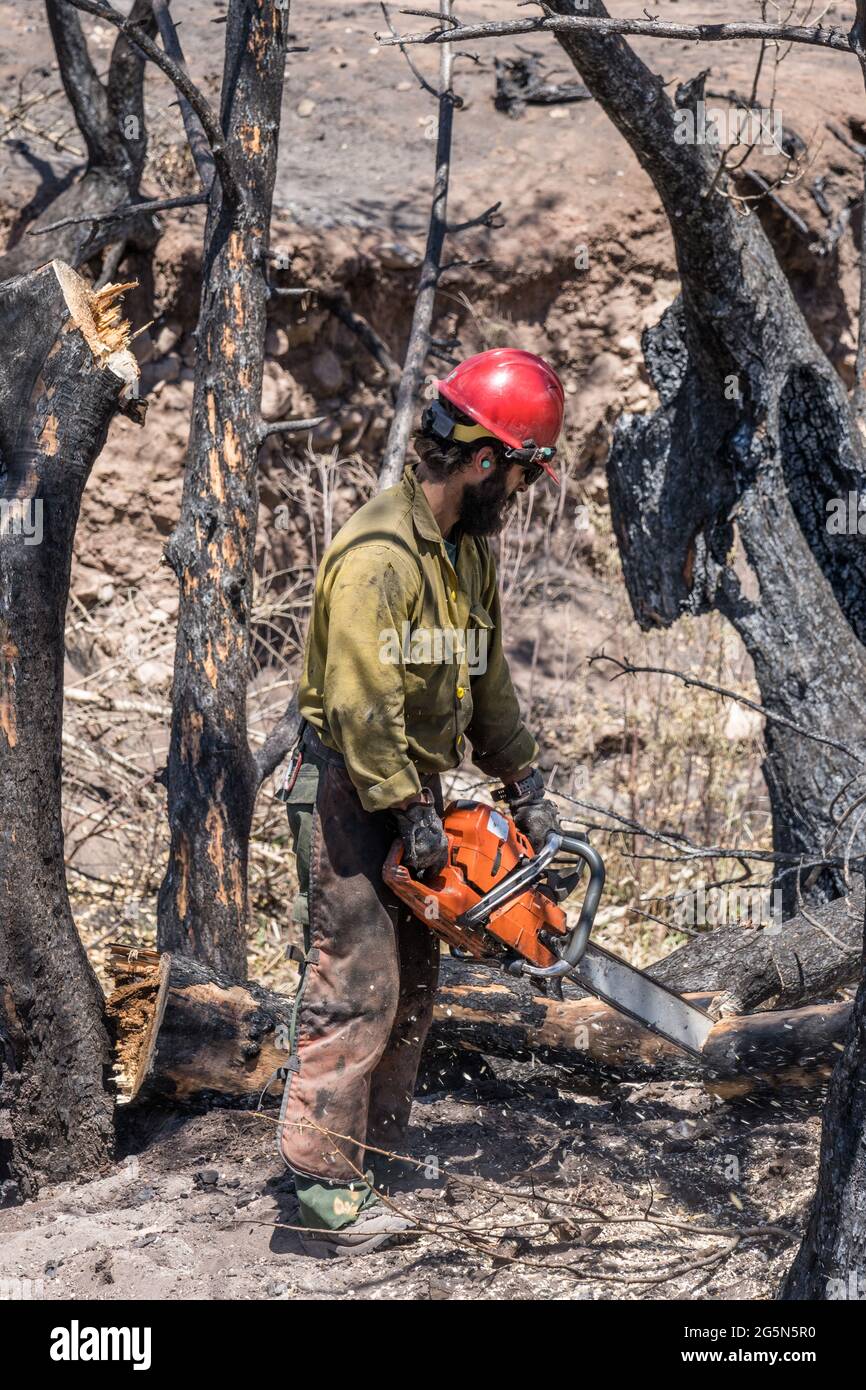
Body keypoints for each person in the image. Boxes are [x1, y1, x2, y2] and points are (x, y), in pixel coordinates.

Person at [277, 347, 565, 1255]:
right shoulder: (378, 557)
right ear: (485, 462)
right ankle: (319, 1195)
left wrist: (525, 783)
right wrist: (408, 811)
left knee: (410, 992)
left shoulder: (464, 559)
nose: (515, 496)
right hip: (349, 792)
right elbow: (363, 708)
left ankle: (376, 1164)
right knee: (354, 983)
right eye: (518, 476)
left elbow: (488, 689)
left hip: (416, 800)